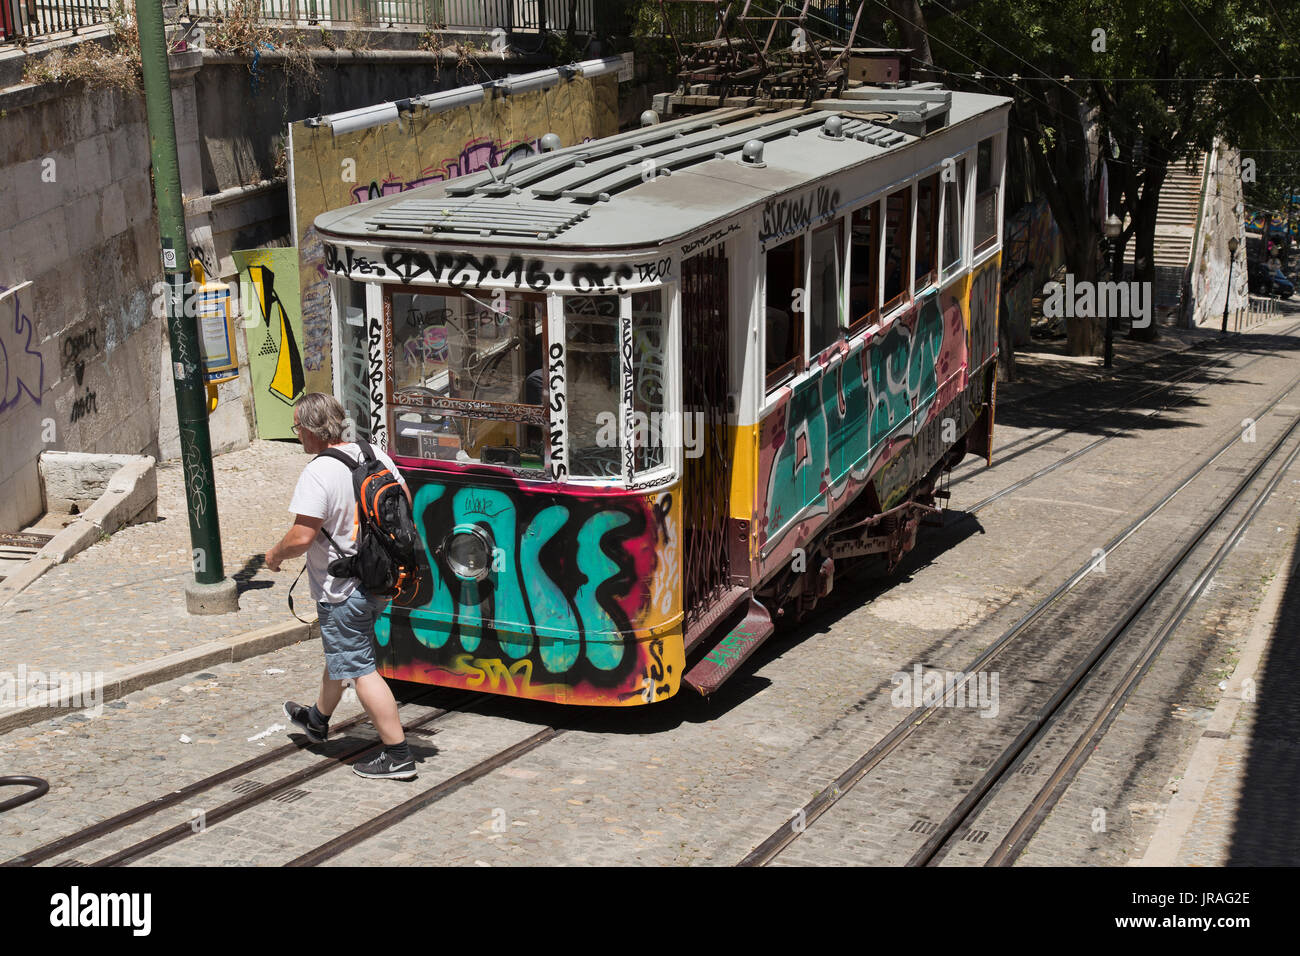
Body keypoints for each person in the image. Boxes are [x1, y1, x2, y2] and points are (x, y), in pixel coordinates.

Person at [265, 392, 417, 780]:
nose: (297, 436)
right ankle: (317, 720)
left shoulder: (318, 472)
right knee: (346, 650)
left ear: (313, 431)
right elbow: (405, 501)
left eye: (298, 428)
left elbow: (301, 537)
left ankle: (397, 755)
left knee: (361, 668)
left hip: (343, 589)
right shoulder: (374, 454)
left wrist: (275, 555)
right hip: (382, 579)